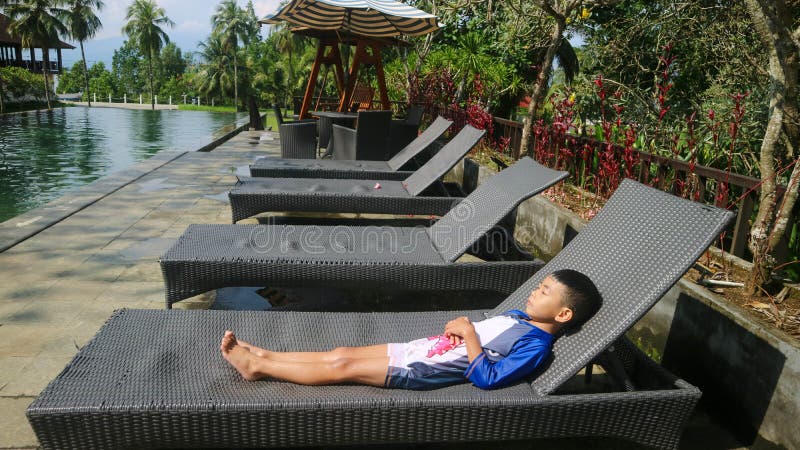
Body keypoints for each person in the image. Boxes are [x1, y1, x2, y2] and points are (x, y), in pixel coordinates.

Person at [220, 269, 601, 390]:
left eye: (544, 291)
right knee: (341, 352)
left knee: (342, 367)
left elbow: (488, 377)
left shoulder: (536, 346)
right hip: (423, 347)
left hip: (422, 370)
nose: (534, 292)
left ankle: (258, 367)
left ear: (564, 314)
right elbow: (484, 334)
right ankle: (266, 355)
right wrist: (462, 327)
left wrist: (468, 334)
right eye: (539, 286)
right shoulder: (520, 317)